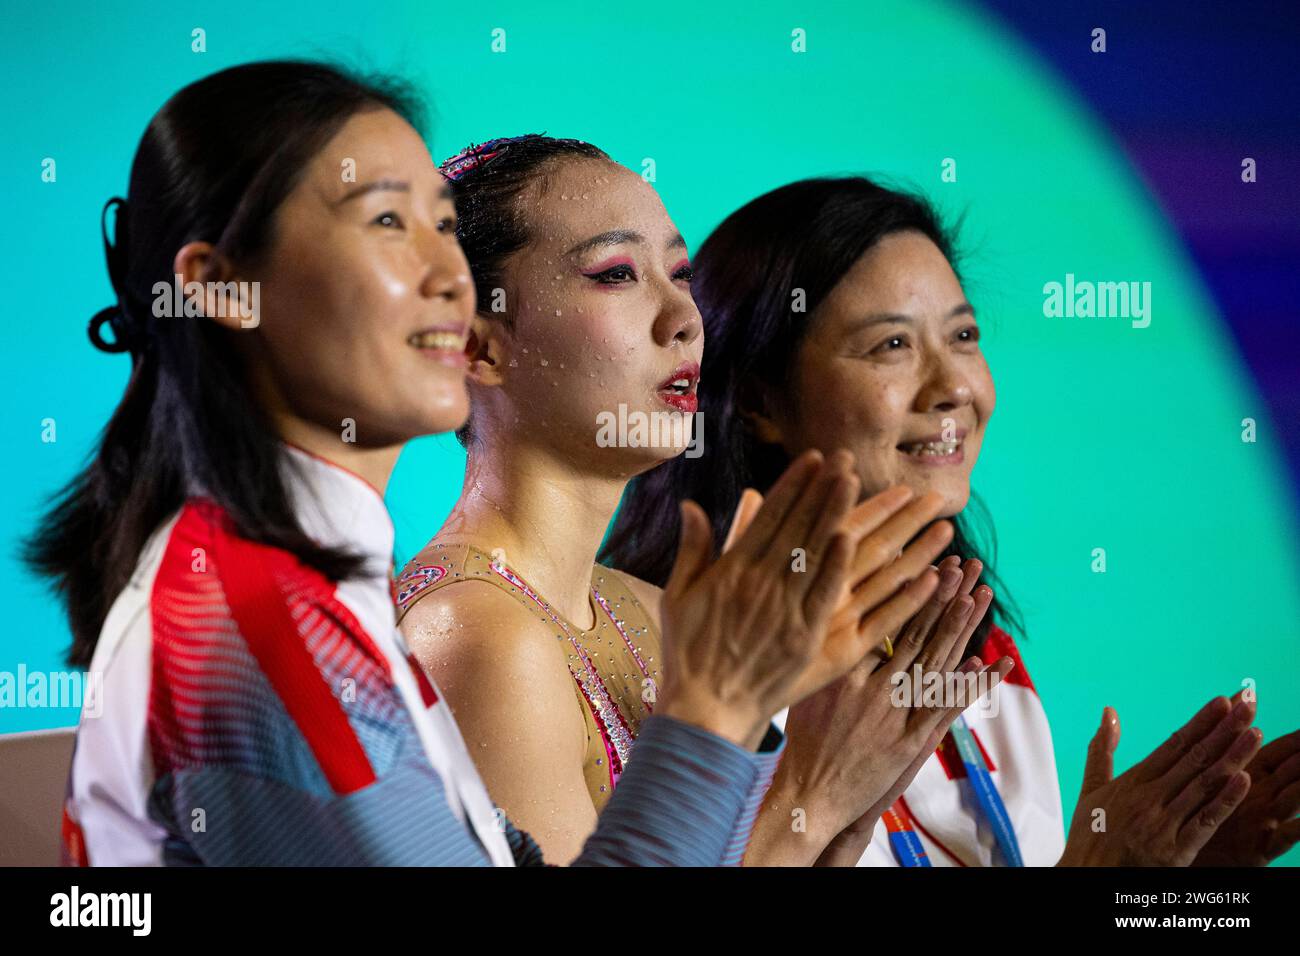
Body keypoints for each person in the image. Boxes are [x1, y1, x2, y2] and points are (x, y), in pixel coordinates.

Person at [25, 62, 927, 867]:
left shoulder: (313, 610)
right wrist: (731, 719)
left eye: (443, 227)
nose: (449, 276)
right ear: (220, 287)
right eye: (386, 222)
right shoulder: (256, 631)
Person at [603, 175, 1285, 866]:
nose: (955, 387)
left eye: (963, 335)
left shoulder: (978, 659)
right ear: (758, 401)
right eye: (891, 347)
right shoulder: (664, 665)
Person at [398, 134, 1014, 864]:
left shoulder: (651, 611)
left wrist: (853, 798)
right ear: (476, 346)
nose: (684, 318)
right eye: (617, 274)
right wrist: (813, 797)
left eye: (681, 273)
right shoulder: (479, 638)